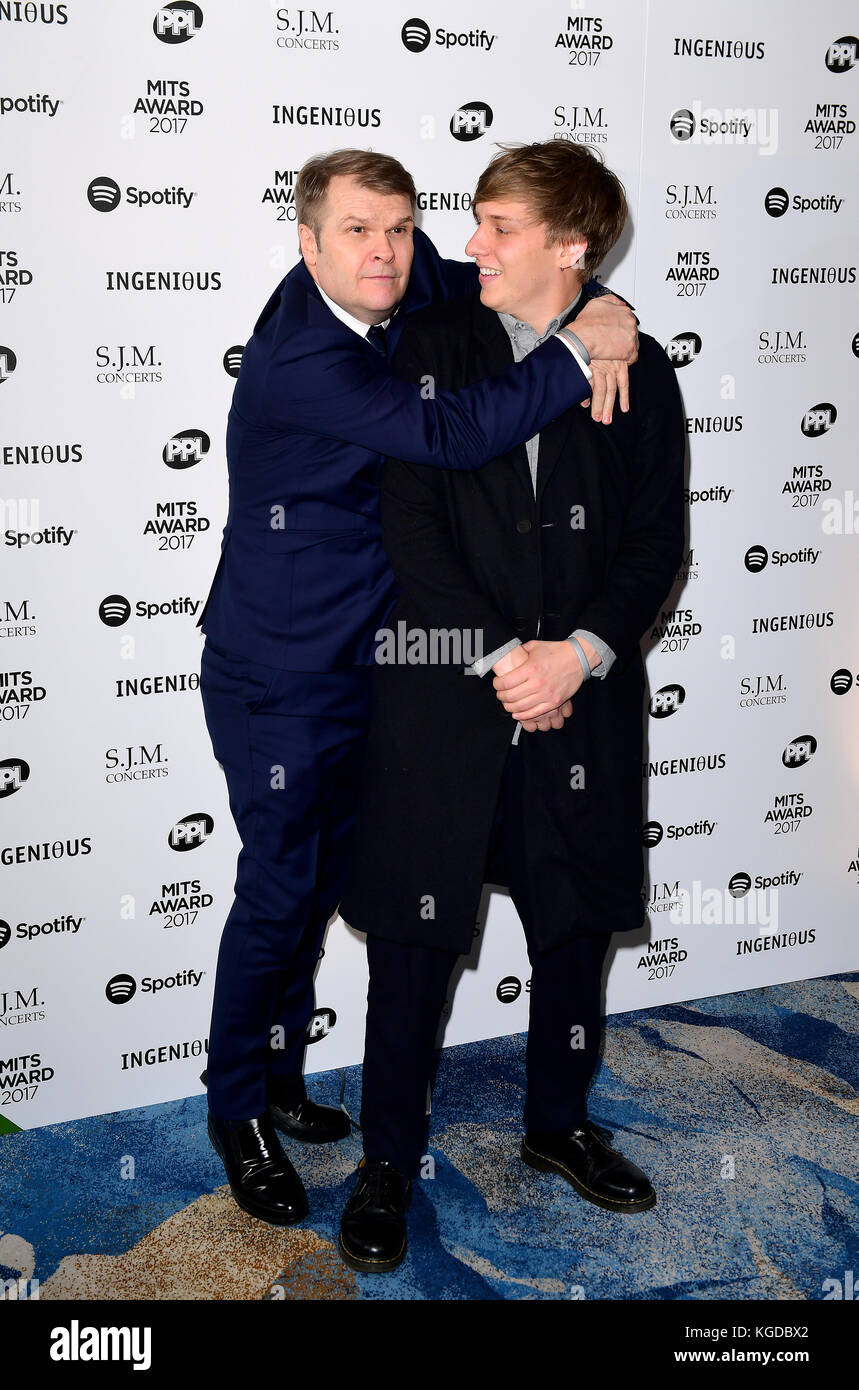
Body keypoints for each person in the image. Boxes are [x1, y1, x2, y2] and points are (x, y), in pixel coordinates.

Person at [196, 146, 638, 1226]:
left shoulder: (408, 272)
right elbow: (450, 433)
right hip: (284, 672)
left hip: (384, 669)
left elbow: (534, 271)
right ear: (308, 242)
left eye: (399, 228)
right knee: (278, 892)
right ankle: (235, 1107)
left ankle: (285, 1076)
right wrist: (580, 352)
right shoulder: (301, 351)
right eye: (357, 231)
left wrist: (604, 301)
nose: (386, 252)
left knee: (323, 884)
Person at [337, 140, 686, 1272]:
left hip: (578, 703)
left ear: (569, 246)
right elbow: (411, 528)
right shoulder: (426, 342)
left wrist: (576, 657)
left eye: (497, 226)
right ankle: (386, 1160)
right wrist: (502, 659)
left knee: (572, 927)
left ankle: (557, 1126)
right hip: (446, 690)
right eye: (474, 223)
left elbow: (652, 547)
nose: (467, 244)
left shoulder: (644, 370)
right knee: (413, 937)